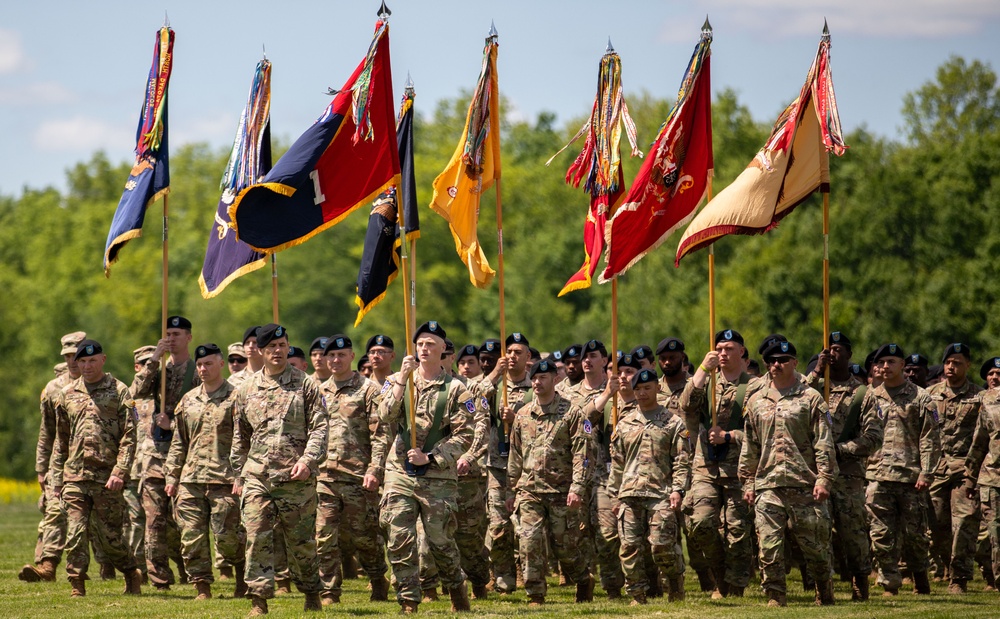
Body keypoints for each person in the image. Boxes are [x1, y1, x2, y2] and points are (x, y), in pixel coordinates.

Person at [378, 321, 476, 613]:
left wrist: (431, 457)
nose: (424, 349)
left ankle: (457, 588)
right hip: (400, 471)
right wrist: (401, 379)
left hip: (437, 477)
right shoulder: (398, 380)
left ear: (443, 349)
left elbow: (466, 433)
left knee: (439, 542)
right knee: (398, 536)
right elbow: (384, 415)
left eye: (430, 344)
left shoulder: (457, 389)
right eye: (420, 344)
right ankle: (408, 599)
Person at [231, 323, 328, 616]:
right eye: (271, 347)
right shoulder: (246, 389)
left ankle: (311, 591)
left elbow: (321, 427)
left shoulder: (306, 384)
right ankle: (259, 601)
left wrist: (308, 461)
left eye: (282, 345)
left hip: (295, 478)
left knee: (301, 543)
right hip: (258, 476)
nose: (277, 351)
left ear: (288, 347)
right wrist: (239, 474)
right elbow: (239, 435)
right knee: (256, 537)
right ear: (260, 351)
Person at [740, 340, 838, 607]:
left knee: (814, 546)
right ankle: (775, 594)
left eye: (782, 360)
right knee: (769, 547)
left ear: (795, 362)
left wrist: (824, 479)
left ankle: (823, 587)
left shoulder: (811, 398)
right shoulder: (757, 401)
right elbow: (750, 445)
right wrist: (748, 482)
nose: (775, 365)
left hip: (804, 484)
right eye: (771, 360)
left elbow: (824, 442)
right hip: (768, 483)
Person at [51, 339, 142, 597]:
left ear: (103, 360)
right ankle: (76, 584)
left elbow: (130, 436)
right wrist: (58, 478)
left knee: (109, 539)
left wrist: (120, 472)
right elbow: (62, 439)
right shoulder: (66, 395)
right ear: (76, 363)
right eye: (82, 361)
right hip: (75, 476)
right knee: (76, 531)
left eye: (92, 360)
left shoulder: (120, 391)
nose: (87, 365)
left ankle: (130, 571)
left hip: (107, 477)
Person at [680, 329, 764, 598]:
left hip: (740, 468)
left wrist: (730, 436)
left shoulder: (755, 387)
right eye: (719, 348)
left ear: (742, 352)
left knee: (737, 531)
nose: (724, 354)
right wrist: (704, 368)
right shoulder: (707, 383)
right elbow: (686, 405)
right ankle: (720, 574)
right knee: (701, 524)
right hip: (705, 468)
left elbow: (760, 430)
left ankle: (735, 585)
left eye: (729, 348)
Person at [506, 359, 593, 606]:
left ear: (555, 379)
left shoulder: (572, 412)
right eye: (533, 377)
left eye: (543, 377)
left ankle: (582, 579)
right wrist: (510, 490)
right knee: (529, 542)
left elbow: (583, 453)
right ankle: (535, 594)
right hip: (530, 490)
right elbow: (515, 455)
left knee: (564, 547)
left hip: (561, 491)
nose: (537, 382)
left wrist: (577, 487)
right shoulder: (523, 415)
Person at [164, 343, 246, 601]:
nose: (203, 369)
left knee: (228, 540)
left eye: (208, 363)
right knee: (191, 537)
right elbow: (179, 441)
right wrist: (172, 475)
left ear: (221, 364)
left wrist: (241, 475)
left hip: (225, 479)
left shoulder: (237, 397)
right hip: (191, 479)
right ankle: (202, 587)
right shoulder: (188, 400)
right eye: (199, 364)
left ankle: (243, 574)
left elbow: (247, 440)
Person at [314, 335, 390, 605]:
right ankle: (329, 592)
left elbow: (380, 434)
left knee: (365, 538)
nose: (335, 360)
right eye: (331, 356)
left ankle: (378, 578)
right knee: (324, 536)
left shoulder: (368, 389)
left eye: (341, 355)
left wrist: (375, 469)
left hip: (357, 475)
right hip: (324, 476)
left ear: (351, 356)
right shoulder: (318, 390)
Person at [808, 331, 881, 601]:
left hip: (848, 474)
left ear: (850, 355)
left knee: (853, 533)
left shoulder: (863, 394)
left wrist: (840, 449)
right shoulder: (813, 389)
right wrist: (816, 370)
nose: (833, 354)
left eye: (839, 349)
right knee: (818, 532)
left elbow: (873, 438)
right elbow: (793, 398)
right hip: (817, 474)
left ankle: (859, 580)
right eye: (829, 349)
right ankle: (822, 587)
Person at [864, 343, 942, 596]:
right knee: (881, 536)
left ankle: (920, 579)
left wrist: (926, 472)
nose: (885, 367)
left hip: (910, 476)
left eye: (891, 362)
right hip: (877, 475)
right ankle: (890, 584)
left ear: (902, 366)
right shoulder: (869, 397)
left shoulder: (921, 398)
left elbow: (930, 438)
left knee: (915, 536)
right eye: (881, 362)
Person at [609, 368, 690, 605]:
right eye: (638, 389)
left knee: (661, 545)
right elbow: (617, 464)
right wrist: (614, 496)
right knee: (630, 548)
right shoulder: (624, 424)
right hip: (629, 494)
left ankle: (675, 583)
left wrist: (678, 489)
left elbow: (682, 461)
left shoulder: (673, 423)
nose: (642, 393)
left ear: (657, 388)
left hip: (661, 493)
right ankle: (637, 594)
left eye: (647, 388)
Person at [132, 315, 198, 590]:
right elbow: (136, 392)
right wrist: (154, 359)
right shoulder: (158, 369)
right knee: (154, 520)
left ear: (188, 338)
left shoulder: (198, 371)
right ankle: (160, 579)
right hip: (156, 456)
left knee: (187, 521)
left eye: (177, 334)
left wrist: (175, 424)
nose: (171, 339)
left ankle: (196, 573)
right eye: (168, 334)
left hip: (188, 456)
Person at [19, 331, 86, 583]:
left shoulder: (104, 385)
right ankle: (48, 566)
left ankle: (123, 568)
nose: (71, 360)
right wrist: (41, 468)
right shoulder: (53, 388)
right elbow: (46, 431)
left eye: (75, 354)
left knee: (104, 526)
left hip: (94, 462)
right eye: (67, 356)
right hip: (60, 462)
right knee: (54, 511)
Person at [565, 339, 623, 598]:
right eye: (583, 356)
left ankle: (613, 587)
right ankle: (584, 583)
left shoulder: (619, 390)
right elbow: (582, 420)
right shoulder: (566, 393)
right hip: (576, 474)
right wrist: (605, 396)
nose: (586, 360)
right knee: (578, 534)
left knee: (607, 533)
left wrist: (613, 394)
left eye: (593, 356)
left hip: (604, 474)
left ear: (604, 361)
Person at [927, 343, 983, 592]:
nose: (951, 367)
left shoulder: (979, 396)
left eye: (957, 362)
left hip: (965, 468)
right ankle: (945, 564)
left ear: (967, 365)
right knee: (936, 524)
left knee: (963, 523)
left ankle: (959, 577)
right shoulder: (929, 395)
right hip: (936, 468)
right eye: (948, 362)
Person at [964, 359, 1000, 593]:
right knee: (995, 532)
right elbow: (979, 442)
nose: (996, 377)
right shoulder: (988, 401)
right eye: (992, 373)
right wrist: (970, 476)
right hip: (993, 476)